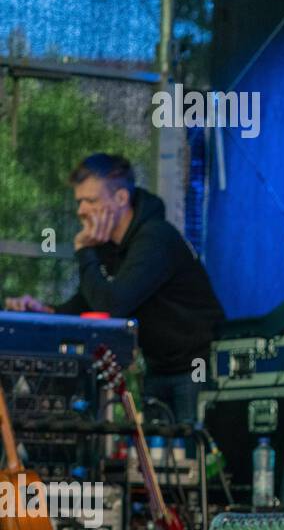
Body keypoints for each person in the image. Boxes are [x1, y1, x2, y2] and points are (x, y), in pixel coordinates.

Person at [4, 154, 224, 423]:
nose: (81, 210)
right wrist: (44, 311)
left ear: (121, 199)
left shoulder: (155, 238)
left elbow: (113, 306)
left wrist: (84, 251)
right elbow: (87, 305)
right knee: (158, 459)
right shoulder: (108, 248)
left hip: (196, 368)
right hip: (158, 370)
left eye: (91, 200)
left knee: (194, 457)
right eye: (79, 201)